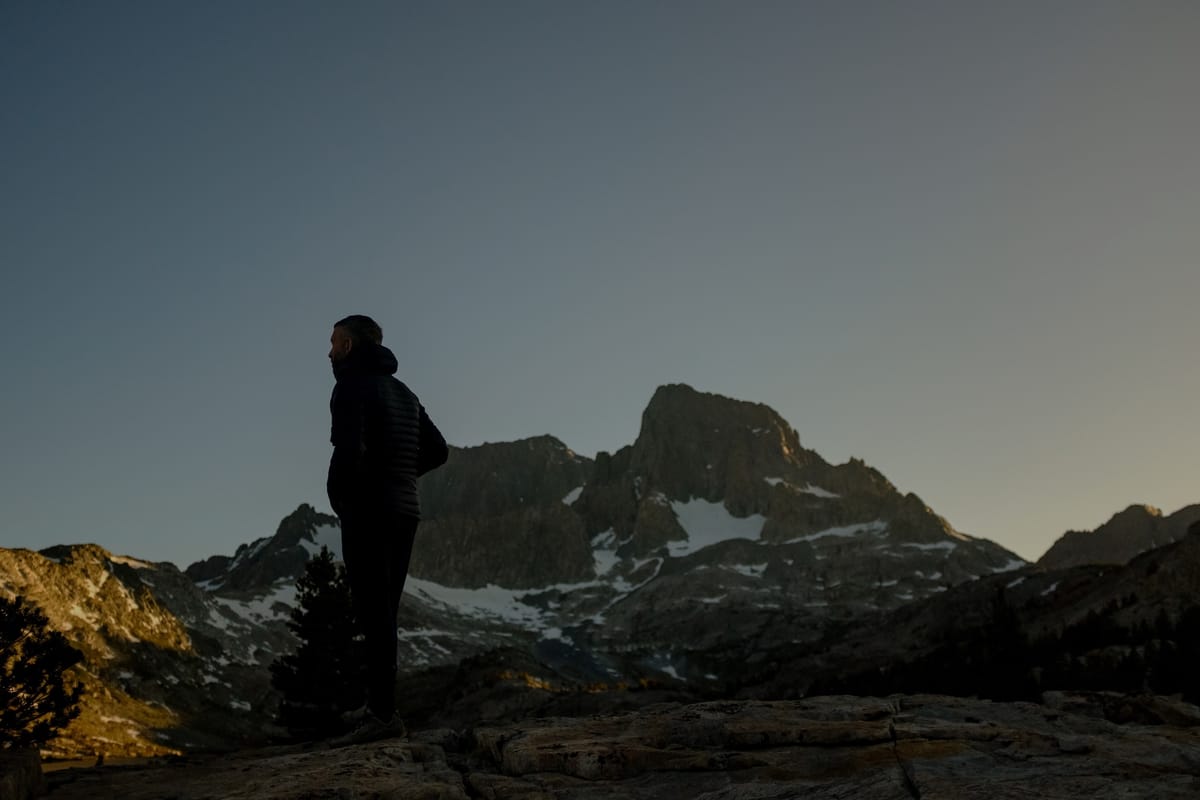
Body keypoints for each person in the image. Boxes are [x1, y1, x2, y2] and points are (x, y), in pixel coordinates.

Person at [326, 314, 447, 741]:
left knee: (372, 613)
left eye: (335, 342)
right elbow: (438, 450)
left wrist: (342, 499)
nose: (329, 351)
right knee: (385, 612)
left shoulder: (349, 388)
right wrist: (399, 472)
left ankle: (382, 718)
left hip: (368, 511)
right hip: (404, 511)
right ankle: (379, 707)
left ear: (351, 347)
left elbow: (348, 449)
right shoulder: (405, 392)